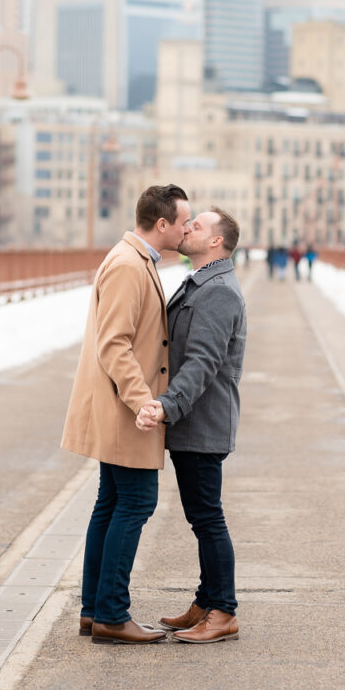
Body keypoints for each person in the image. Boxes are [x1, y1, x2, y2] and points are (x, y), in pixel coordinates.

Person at [61, 184, 191, 645]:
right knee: (135, 502)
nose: (187, 229)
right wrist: (143, 403)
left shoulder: (134, 260)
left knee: (112, 502)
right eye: (182, 222)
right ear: (162, 224)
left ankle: (95, 609)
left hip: (119, 406)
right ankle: (112, 614)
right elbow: (114, 344)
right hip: (123, 408)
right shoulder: (126, 266)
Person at [137, 208, 246, 644]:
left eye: (197, 225)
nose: (187, 228)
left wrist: (167, 405)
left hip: (201, 422)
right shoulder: (202, 282)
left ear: (216, 242)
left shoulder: (218, 292)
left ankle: (224, 612)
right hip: (195, 422)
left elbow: (202, 361)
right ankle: (207, 601)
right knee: (201, 516)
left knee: (207, 518)